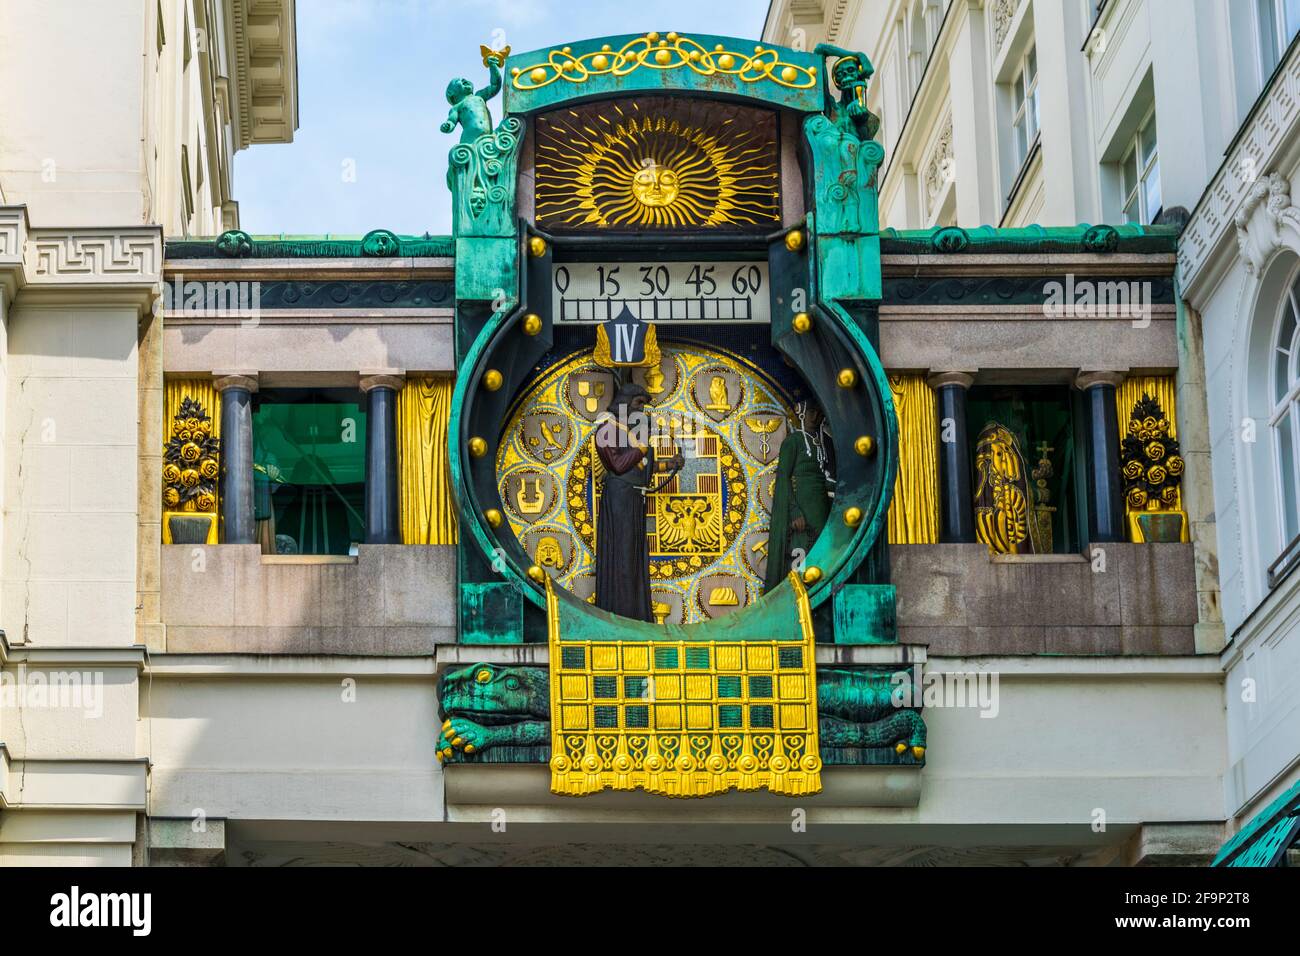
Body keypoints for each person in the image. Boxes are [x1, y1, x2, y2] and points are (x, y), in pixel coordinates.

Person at [593, 382, 682, 620]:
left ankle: (636, 612)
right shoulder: (605, 429)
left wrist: (668, 465)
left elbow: (638, 468)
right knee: (623, 555)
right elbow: (619, 465)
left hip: (633, 497)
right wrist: (643, 448)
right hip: (620, 497)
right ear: (624, 402)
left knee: (633, 556)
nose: (642, 409)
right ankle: (621, 612)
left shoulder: (626, 431)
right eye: (638, 403)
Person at [763, 404, 833, 593]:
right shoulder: (792, 441)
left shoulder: (821, 443)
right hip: (802, 510)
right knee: (799, 551)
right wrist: (794, 511)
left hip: (821, 508)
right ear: (801, 413)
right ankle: (795, 594)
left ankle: (815, 594)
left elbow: (825, 478)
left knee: (820, 555)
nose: (815, 416)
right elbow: (784, 477)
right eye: (811, 411)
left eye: (819, 412)